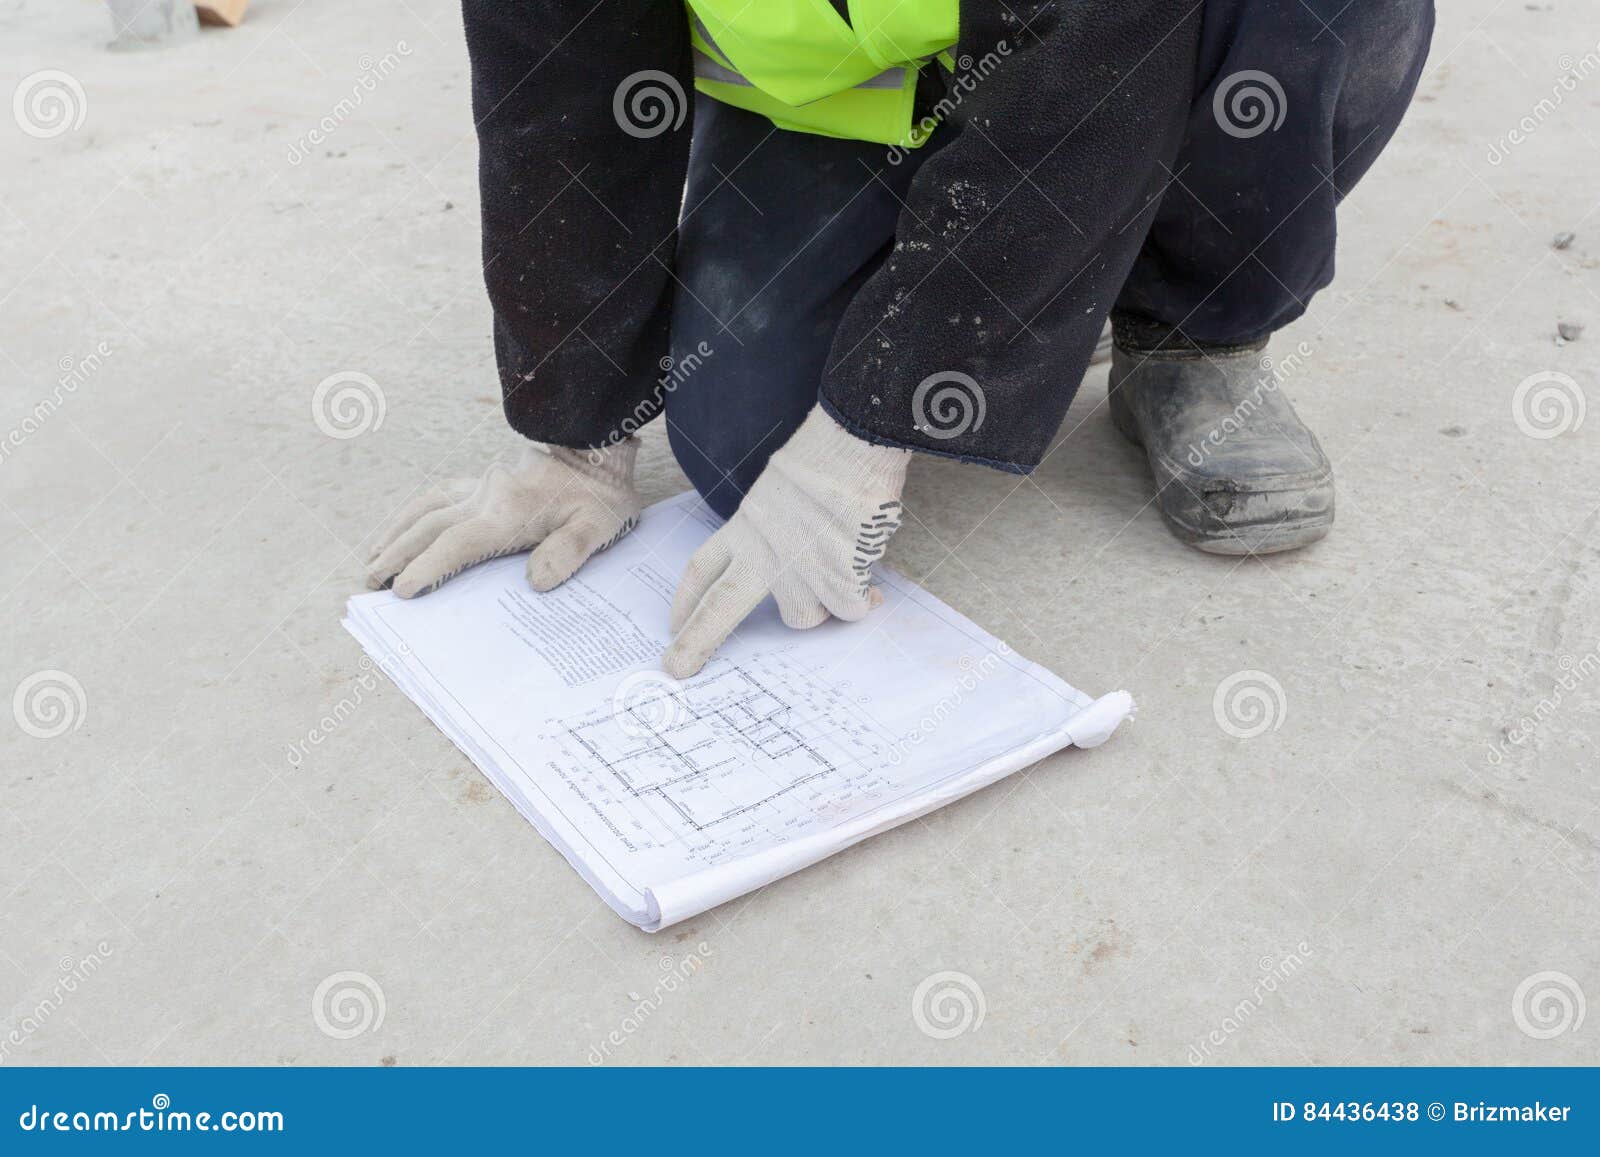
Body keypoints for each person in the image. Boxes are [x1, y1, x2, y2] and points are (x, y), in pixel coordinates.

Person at [366, 0, 1436, 678]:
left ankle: (1189, 328)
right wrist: (580, 432)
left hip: (1129, 31)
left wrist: (870, 435)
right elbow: (553, 63)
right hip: (854, 103)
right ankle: (1042, 280)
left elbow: (1097, 49)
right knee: (748, 456)